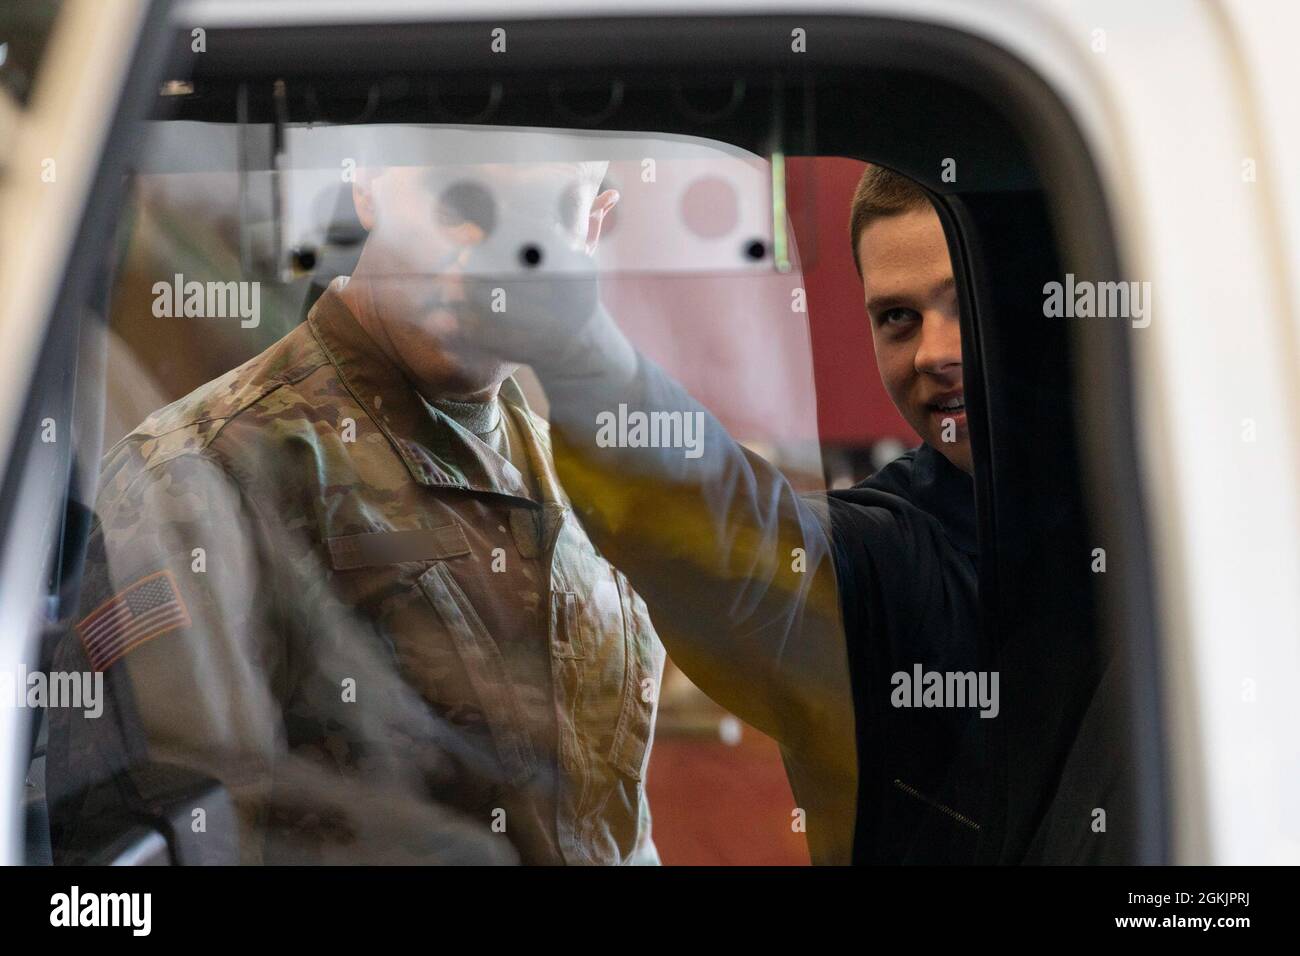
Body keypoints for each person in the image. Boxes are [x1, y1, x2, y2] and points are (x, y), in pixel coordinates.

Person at [47, 144, 666, 865]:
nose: (493, 261)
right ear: (370, 186)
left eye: (553, 215)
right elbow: (171, 844)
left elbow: (613, 827)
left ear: (591, 228)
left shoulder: (581, 483)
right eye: (462, 206)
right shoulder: (197, 473)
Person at [457, 163, 983, 864]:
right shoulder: (898, 552)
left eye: (967, 305)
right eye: (898, 318)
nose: (935, 352)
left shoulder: (1168, 509)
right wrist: (584, 353)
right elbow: (739, 540)